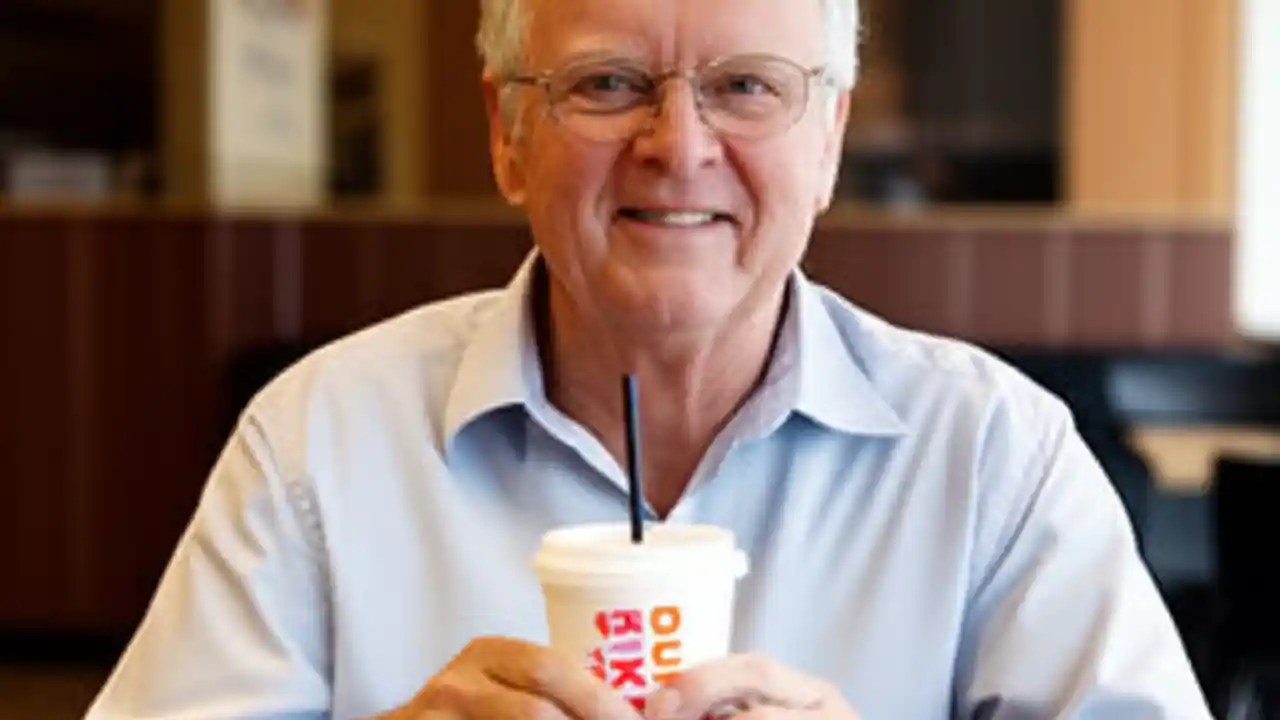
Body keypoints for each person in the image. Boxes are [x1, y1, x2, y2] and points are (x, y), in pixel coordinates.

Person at [86, 0, 1211, 717]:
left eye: (745, 87)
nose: (676, 149)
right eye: (606, 83)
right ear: (505, 135)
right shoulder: (318, 446)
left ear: (827, 138)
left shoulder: (992, 459)